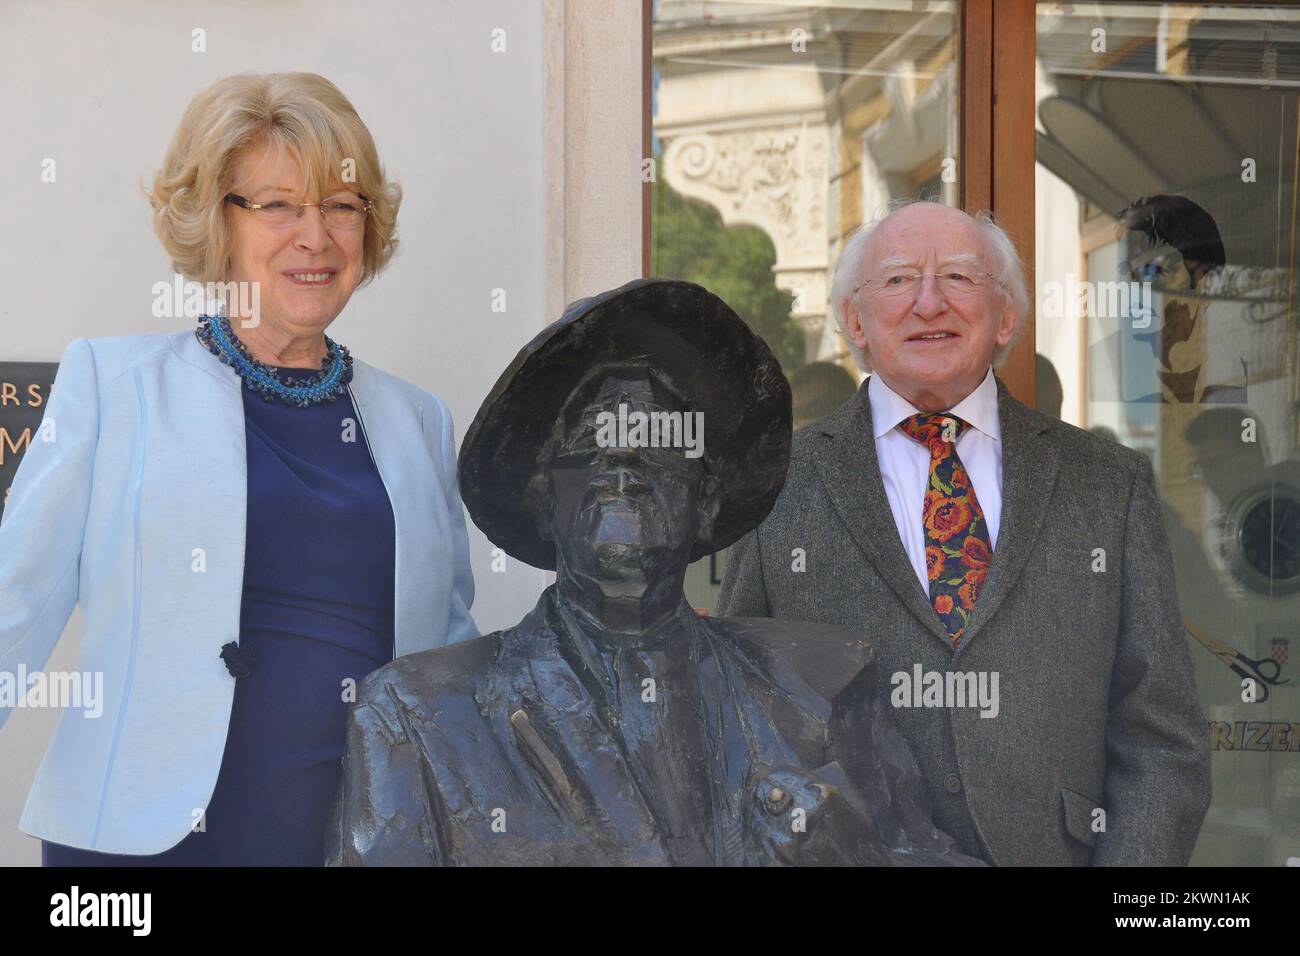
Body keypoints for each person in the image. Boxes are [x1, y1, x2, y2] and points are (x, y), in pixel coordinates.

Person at [326, 279, 982, 866]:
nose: (624, 462)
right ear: (544, 499)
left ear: (706, 500)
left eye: (661, 440)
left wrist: (858, 854)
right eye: (591, 442)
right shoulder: (416, 714)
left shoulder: (826, 683)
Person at [0, 72, 477, 865]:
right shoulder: (113, 388)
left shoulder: (419, 422)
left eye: (341, 205)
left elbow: (450, 662)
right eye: (278, 204)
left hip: (356, 845)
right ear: (217, 221)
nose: (314, 236)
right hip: (139, 851)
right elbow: (11, 606)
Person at [719, 199, 1211, 866]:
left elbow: (1162, 742)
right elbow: (740, 724)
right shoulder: (778, 483)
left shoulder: (1107, 484)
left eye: (957, 276)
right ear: (855, 320)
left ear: (1005, 315)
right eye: (898, 279)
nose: (929, 303)